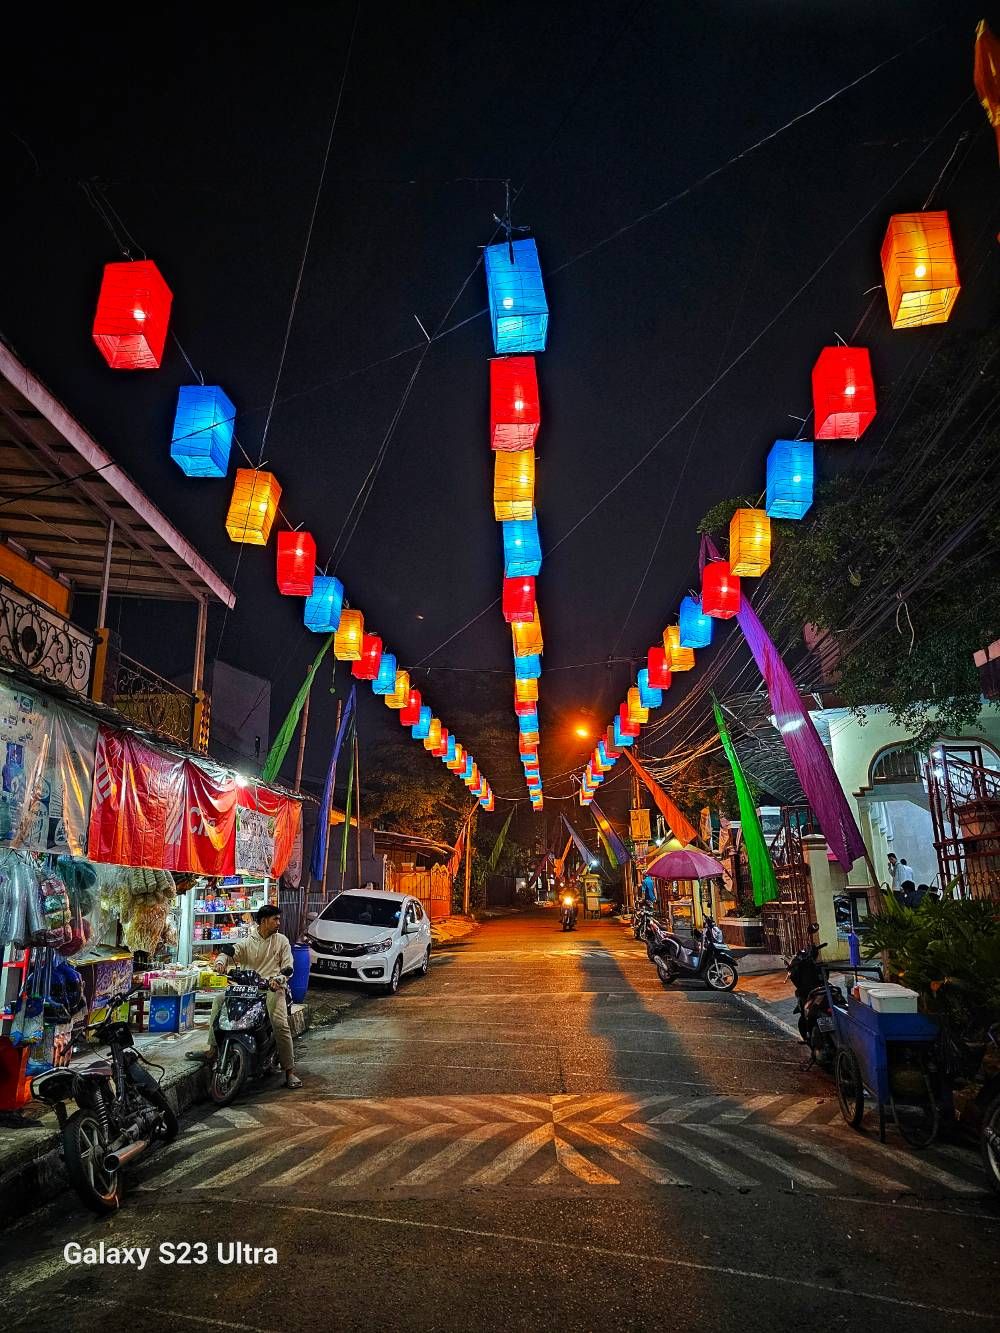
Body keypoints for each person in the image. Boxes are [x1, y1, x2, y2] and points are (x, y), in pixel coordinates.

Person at [188, 904, 302, 1089]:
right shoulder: (248, 941)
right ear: (264, 921)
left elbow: (288, 966)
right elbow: (231, 951)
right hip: (248, 988)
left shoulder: (282, 941)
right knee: (219, 1001)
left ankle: (289, 1071)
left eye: (279, 919)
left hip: (272, 988)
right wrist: (220, 962)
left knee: (280, 1023)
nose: (278, 923)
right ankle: (213, 1049)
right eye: (276, 919)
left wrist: (279, 978)